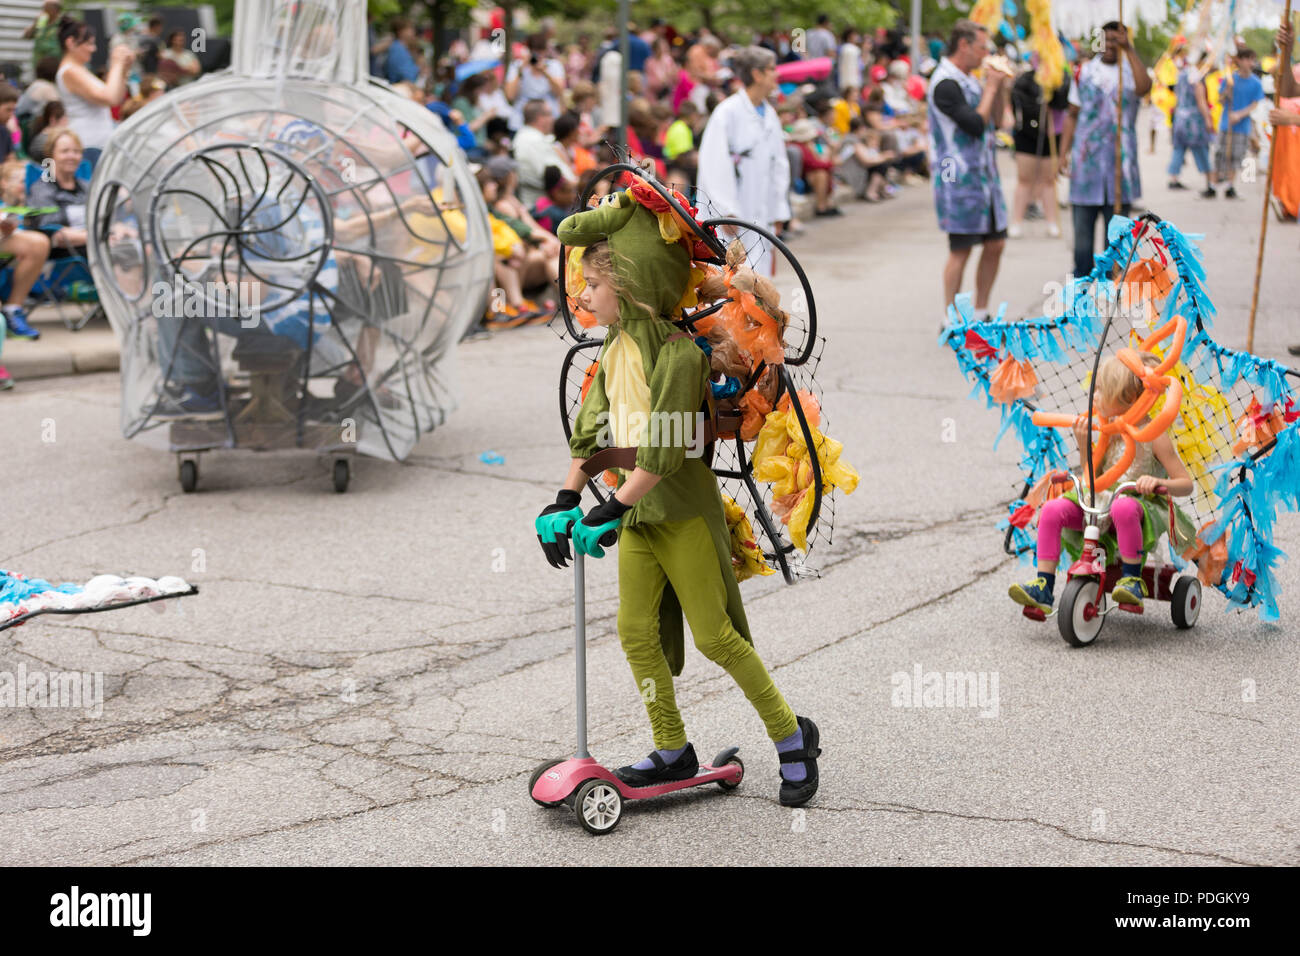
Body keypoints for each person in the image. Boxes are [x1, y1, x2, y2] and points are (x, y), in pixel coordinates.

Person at [538, 190, 822, 807]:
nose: (581, 296)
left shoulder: (676, 356)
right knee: (635, 631)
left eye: (593, 283)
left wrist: (610, 508)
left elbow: (664, 454)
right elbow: (588, 430)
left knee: (715, 636)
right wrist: (561, 499)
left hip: (681, 511)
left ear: (635, 284)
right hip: (639, 515)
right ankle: (672, 748)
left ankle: (791, 735)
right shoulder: (613, 350)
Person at [1009, 352, 1196, 612]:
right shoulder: (1109, 430)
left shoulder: (1154, 436)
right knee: (1052, 509)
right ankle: (1044, 585)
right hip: (1100, 501)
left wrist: (1155, 482)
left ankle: (1131, 579)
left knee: (1123, 507)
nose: (1093, 396)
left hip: (1136, 506)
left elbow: (1186, 484)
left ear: (1128, 398)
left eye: (1100, 390)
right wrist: (1081, 443)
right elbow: (1091, 478)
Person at [927, 19, 1011, 316]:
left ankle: (980, 310)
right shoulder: (945, 83)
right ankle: (951, 317)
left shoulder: (970, 79)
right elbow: (975, 124)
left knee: (996, 243)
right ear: (963, 45)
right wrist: (990, 87)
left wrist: (1000, 89)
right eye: (982, 47)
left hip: (985, 178)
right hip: (957, 179)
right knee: (960, 249)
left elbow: (999, 122)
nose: (985, 53)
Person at [1058, 21, 1150, 279]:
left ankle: (1111, 289)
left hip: (1121, 168)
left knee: (1117, 238)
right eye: (1106, 39)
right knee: (1083, 240)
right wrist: (1063, 153)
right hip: (1087, 166)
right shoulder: (1085, 72)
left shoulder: (1130, 72)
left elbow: (1145, 88)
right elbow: (1072, 113)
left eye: (1116, 40)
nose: (1110, 45)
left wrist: (1129, 49)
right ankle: (1081, 287)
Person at [696, 45, 791, 276]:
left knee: (759, 283)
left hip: (762, 208)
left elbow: (779, 164)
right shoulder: (726, 113)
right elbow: (713, 164)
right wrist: (725, 211)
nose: (776, 74)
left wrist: (779, 210)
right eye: (771, 69)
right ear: (757, 74)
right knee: (728, 282)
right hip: (733, 216)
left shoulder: (769, 114)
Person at [56, 15, 133, 170]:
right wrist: (116, 63)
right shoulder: (70, 71)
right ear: (71, 43)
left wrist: (123, 69)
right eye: (89, 44)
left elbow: (117, 97)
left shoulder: (80, 69)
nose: (94, 49)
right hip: (88, 145)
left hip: (98, 144)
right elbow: (109, 97)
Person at [1009, 62, 1069, 238]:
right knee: (1024, 179)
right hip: (1027, 134)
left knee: (1048, 180)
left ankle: (1051, 222)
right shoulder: (1025, 79)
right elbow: (1018, 101)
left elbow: (1064, 102)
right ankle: (1016, 221)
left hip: (1052, 133)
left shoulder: (1062, 77)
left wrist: (1053, 91)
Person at [0, 158, 53, 343]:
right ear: (4, 183)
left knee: (39, 243)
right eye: (20, 181)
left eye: (25, 181)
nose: (24, 185)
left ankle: (13, 309)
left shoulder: (25, 205)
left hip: (9, 248)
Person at [28, 127, 90, 256]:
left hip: (97, 246)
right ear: (51, 155)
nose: (71, 156)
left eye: (76, 151)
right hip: (68, 253)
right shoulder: (41, 189)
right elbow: (54, 235)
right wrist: (95, 238)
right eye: (65, 151)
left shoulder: (87, 187)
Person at [1214, 47, 1265, 199]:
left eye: (1252, 59)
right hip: (1226, 123)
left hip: (1242, 126)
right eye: (1248, 59)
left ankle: (1230, 186)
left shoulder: (1256, 83)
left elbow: (1255, 104)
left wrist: (1240, 114)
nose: (1251, 63)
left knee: (1237, 155)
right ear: (1240, 60)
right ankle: (1216, 182)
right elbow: (1221, 100)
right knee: (1220, 154)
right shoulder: (1230, 79)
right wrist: (1227, 91)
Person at [1167, 50, 1216, 195]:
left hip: (1180, 119)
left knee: (1179, 149)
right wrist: (1208, 119)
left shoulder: (1181, 75)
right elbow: (1201, 102)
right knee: (1201, 150)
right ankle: (1210, 183)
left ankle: (1173, 179)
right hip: (1193, 121)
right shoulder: (1196, 77)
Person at [512, 99, 575, 207]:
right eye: (550, 114)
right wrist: (578, 184)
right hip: (543, 205)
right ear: (540, 118)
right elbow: (554, 177)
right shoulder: (532, 140)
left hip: (547, 201)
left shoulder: (530, 136)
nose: (553, 119)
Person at [23, 1, 63, 70]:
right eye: (43, 8)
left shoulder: (63, 23)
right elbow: (27, 36)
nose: (44, 11)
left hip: (55, 64)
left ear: (56, 10)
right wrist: (35, 24)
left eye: (47, 8)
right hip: (38, 62)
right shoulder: (42, 21)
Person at [383, 18, 421, 86]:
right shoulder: (397, 49)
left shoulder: (402, 48)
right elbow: (405, 75)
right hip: (400, 88)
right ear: (400, 32)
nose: (413, 31)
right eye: (409, 29)